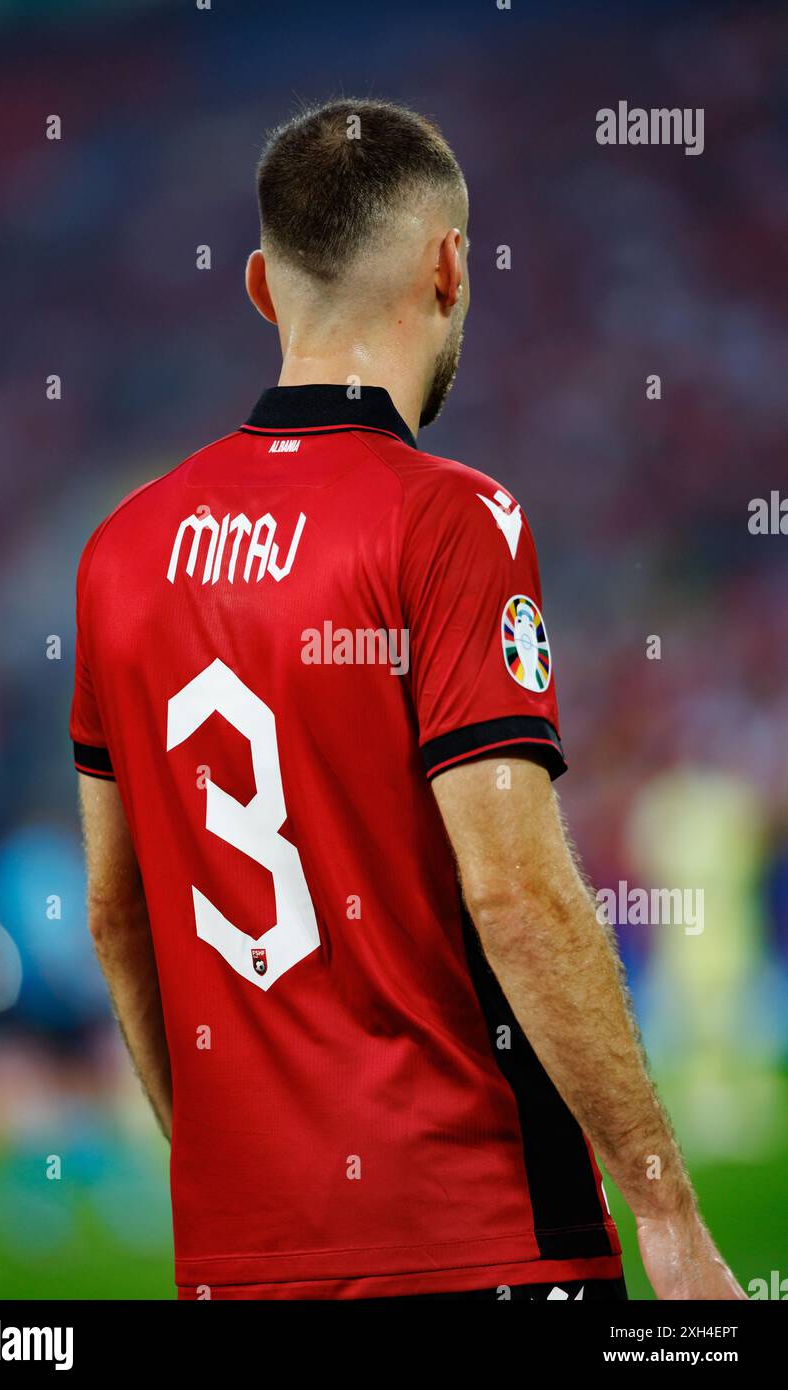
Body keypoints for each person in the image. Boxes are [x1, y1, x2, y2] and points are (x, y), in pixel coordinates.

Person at [71, 98, 744, 1301]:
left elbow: (118, 919)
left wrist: (225, 1178)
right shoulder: (448, 519)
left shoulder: (119, 548)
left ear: (261, 289)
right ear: (447, 265)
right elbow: (517, 895)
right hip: (471, 1235)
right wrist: (664, 1204)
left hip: (238, 1259)